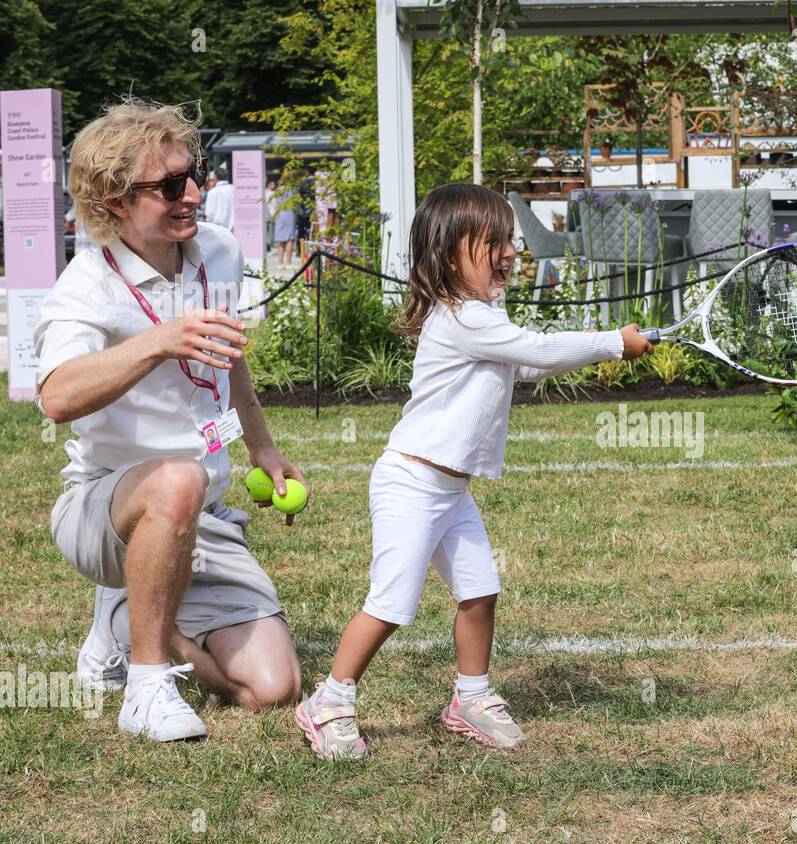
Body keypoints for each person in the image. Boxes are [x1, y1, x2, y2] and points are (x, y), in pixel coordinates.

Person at [294, 183, 654, 759]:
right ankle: (329, 702)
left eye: (510, 239)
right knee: (390, 605)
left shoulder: (487, 314)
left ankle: (470, 697)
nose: (509, 252)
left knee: (481, 592)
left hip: (450, 487)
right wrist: (613, 341)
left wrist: (594, 348)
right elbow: (534, 350)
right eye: (493, 241)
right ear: (447, 254)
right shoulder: (463, 318)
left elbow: (523, 365)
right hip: (412, 482)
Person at [35, 96, 305, 742]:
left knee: (274, 687)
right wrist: (160, 340)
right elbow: (56, 396)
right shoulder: (84, 286)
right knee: (177, 479)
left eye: (197, 172)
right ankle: (147, 687)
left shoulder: (219, 251)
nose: (194, 192)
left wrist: (264, 449)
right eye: (170, 185)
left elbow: (228, 358)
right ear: (115, 205)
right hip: (103, 510)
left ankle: (133, 623)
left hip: (201, 516)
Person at [267, 179, 297, 267]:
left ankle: (280, 262)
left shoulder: (277, 191)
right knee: (289, 239)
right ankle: (289, 262)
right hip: (289, 213)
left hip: (280, 214)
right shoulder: (292, 190)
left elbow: (273, 204)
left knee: (281, 240)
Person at [202, 165, 234, 232]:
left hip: (217, 230)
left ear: (215, 177)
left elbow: (209, 213)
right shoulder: (234, 189)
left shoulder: (212, 192)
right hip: (234, 229)